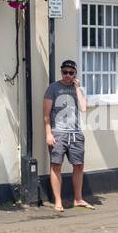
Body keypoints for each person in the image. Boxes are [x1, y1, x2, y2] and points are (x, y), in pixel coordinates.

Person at [43, 59, 95, 213]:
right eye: (64, 72)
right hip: (58, 133)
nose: (67, 75)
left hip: (76, 133)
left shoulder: (77, 89)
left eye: (71, 73)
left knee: (78, 165)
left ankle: (78, 199)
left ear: (75, 74)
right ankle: (58, 201)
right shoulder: (53, 88)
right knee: (56, 166)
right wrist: (48, 133)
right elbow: (46, 114)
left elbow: (84, 108)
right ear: (61, 72)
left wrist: (78, 88)